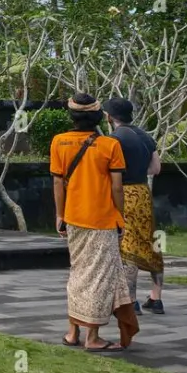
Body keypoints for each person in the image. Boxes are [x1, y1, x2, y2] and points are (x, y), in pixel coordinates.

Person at [53, 93, 138, 352]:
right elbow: (117, 188)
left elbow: (58, 182)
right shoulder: (109, 145)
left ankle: (72, 332)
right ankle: (92, 337)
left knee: (78, 273)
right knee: (98, 278)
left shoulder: (59, 142)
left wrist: (60, 215)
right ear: (99, 116)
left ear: (72, 116)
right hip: (102, 220)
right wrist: (120, 216)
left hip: (74, 218)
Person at [104, 96, 165, 314]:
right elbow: (156, 168)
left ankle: (131, 301)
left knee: (127, 246)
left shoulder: (113, 140)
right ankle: (156, 298)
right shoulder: (146, 137)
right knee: (151, 242)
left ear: (109, 116)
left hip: (125, 194)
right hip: (143, 193)